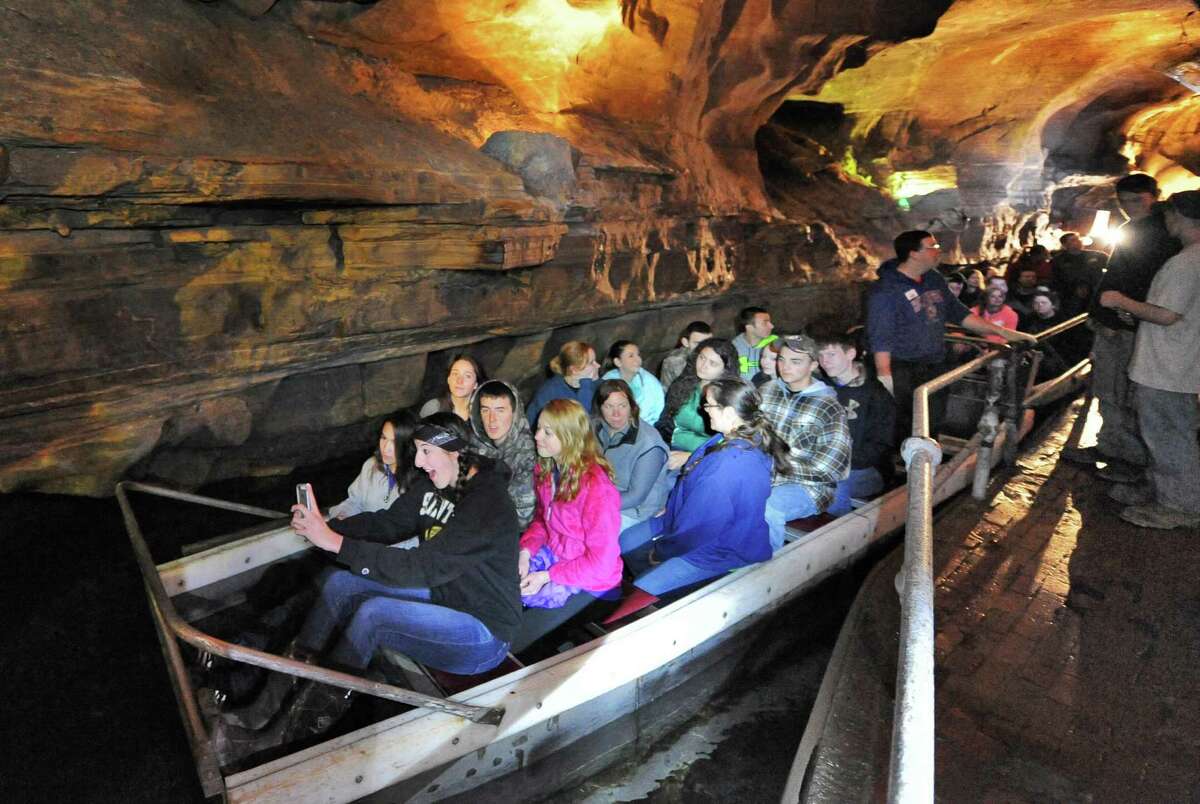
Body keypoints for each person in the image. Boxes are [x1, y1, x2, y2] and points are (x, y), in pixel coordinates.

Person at [213, 414, 521, 765]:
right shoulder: (435, 484)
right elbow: (388, 524)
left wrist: (335, 544)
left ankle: (283, 740)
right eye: (417, 451)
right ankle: (263, 709)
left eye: (425, 451)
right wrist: (325, 528)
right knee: (341, 583)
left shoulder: (487, 502)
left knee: (373, 615)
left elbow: (422, 566)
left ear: (454, 451)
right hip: (444, 594)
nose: (418, 463)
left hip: (484, 631)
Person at [614, 379, 791, 605]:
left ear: (728, 412)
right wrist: (673, 506)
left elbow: (697, 530)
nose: (704, 410)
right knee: (626, 541)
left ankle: (667, 599)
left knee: (641, 591)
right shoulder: (730, 437)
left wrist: (660, 553)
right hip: (687, 520)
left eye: (709, 405)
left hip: (718, 549)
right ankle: (658, 578)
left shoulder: (727, 466)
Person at [867, 230, 1036, 439]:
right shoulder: (886, 290)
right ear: (914, 253)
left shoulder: (933, 278)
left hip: (934, 362)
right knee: (903, 425)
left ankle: (930, 454)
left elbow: (959, 313)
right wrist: (885, 377)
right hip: (902, 368)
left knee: (933, 420)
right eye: (933, 247)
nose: (938, 251)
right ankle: (902, 458)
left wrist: (1004, 332)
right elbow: (881, 336)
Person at [1096, 190, 1200, 529]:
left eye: (1169, 214)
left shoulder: (1187, 262)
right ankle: (1160, 489)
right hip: (1175, 361)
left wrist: (1119, 300)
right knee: (1163, 431)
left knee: (1168, 434)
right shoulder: (1190, 258)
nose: (1165, 220)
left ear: (1181, 217)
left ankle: (1180, 505)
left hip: (1169, 365)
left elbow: (1167, 314)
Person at [1065, 174, 1181, 473]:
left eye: (1137, 200)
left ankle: (1128, 457)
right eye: (1124, 202)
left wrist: (1123, 316)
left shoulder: (1163, 234)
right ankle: (1111, 444)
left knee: (1121, 391)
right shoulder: (1134, 229)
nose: (1130, 207)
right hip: (1116, 320)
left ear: (1154, 196)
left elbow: (1148, 283)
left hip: (1127, 325)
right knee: (1108, 388)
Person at [512, 400, 623, 648]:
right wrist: (525, 552)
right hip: (557, 557)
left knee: (524, 638)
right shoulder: (548, 469)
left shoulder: (596, 488)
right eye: (538, 428)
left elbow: (602, 563)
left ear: (569, 438)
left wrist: (547, 576)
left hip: (593, 585)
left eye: (547, 432)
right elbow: (543, 521)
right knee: (503, 589)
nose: (537, 436)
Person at [759, 335, 852, 550]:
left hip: (810, 487)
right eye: (781, 359)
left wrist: (776, 468)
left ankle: (768, 565)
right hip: (764, 475)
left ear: (813, 365)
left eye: (795, 361)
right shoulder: (767, 390)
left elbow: (833, 468)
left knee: (767, 506)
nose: (785, 367)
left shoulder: (828, 406)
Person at [816, 333, 896, 516]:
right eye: (820, 355)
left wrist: (837, 461)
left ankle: (837, 528)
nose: (824, 361)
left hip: (865, 469)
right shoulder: (820, 386)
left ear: (850, 353)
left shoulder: (876, 395)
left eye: (831, 354)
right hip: (823, 462)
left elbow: (881, 445)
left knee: (829, 484)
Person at [592, 379, 671, 529]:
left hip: (632, 510)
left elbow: (635, 497)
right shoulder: (596, 427)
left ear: (632, 407)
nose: (616, 414)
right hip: (602, 494)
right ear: (600, 408)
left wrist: (592, 504)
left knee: (591, 531)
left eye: (622, 406)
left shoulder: (648, 444)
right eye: (609, 406)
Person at [328, 409, 423, 520]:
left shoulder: (419, 482)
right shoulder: (371, 465)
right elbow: (354, 501)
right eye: (384, 438)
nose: (386, 448)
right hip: (360, 528)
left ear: (409, 445)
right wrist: (342, 515)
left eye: (394, 442)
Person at [658, 337, 741, 463]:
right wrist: (662, 449)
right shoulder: (682, 384)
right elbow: (665, 422)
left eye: (713, 363)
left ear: (725, 369)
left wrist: (692, 457)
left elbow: (732, 443)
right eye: (702, 358)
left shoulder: (730, 397)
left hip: (709, 457)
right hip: (672, 448)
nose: (703, 366)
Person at [469, 380, 537, 526]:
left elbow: (523, 518)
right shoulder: (473, 444)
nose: (492, 419)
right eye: (485, 410)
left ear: (514, 412)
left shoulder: (528, 455)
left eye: (500, 410)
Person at [525, 340, 600, 427]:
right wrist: (586, 384)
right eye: (591, 363)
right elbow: (582, 422)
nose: (598, 365)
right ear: (574, 370)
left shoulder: (597, 384)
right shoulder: (550, 392)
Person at [601, 340, 665, 425]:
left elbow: (658, 410)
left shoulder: (650, 382)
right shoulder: (607, 382)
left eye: (638, 355)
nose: (638, 359)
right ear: (618, 362)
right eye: (631, 356)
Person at [1051, 232, 1105, 317]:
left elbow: (1113, 267)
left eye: (1078, 239)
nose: (1078, 241)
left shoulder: (1097, 256)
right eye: (1073, 240)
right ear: (1065, 245)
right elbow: (1055, 280)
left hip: (1096, 295)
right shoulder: (1059, 260)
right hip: (1071, 299)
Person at [419, 354, 483, 420]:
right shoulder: (433, 408)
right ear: (448, 379)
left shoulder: (483, 413)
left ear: (476, 384)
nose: (459, 381)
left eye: (467, 376)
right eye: (455, 374)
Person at [659, 321, 713, 389]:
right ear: (686, 342)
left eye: (709, 343)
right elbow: (666, 390)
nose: (705, 348)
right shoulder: (674, 362)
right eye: (698, 344)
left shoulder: (717, 355)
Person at [732, 306, 775, 380]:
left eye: (770, 322)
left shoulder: (776, 344)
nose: (772, 326)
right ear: (749, 328)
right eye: (765, 323)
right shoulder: (733, 347)